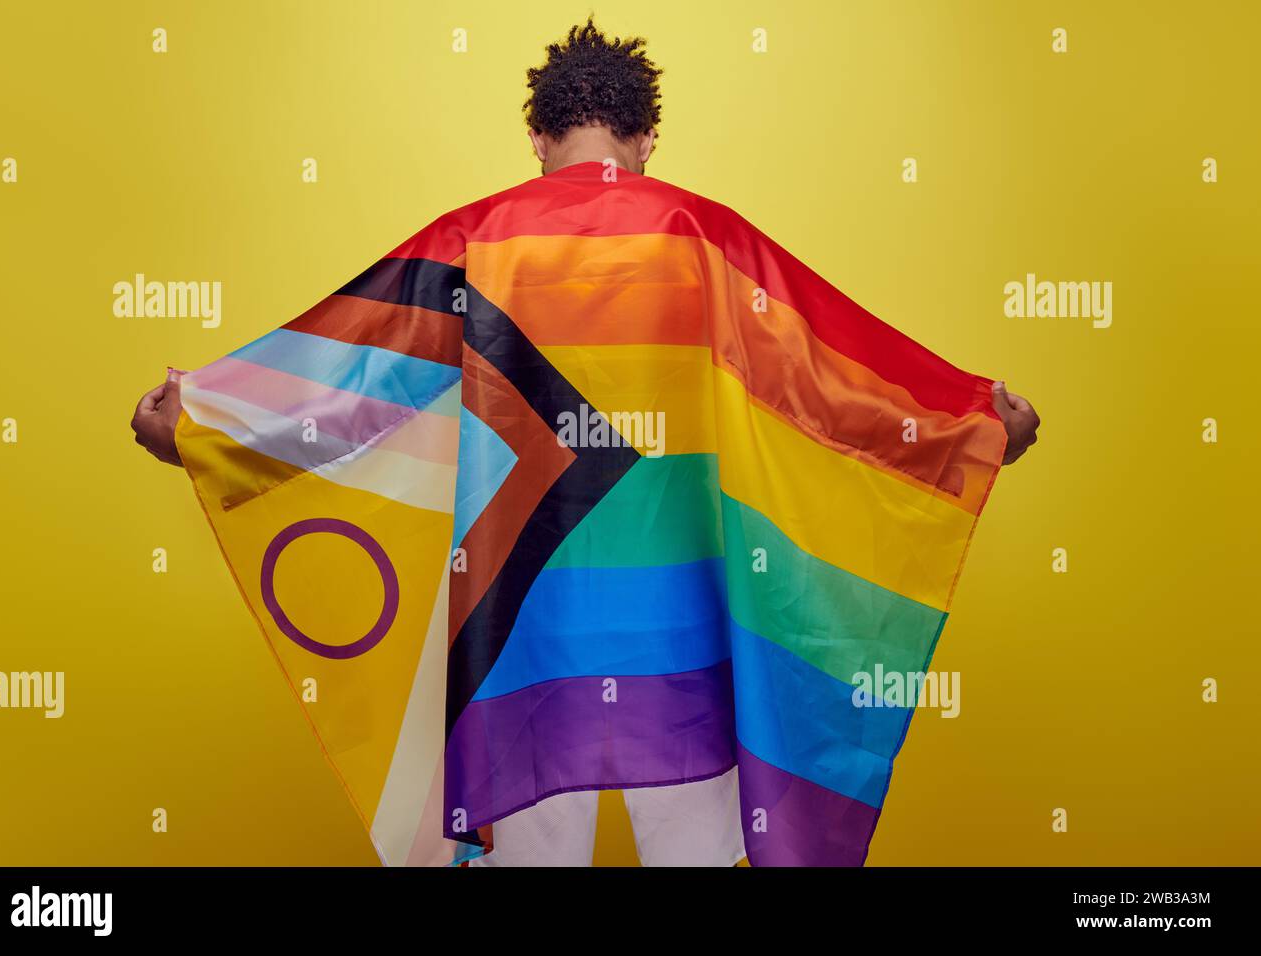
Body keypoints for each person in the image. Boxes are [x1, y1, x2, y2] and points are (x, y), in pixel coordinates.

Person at [132, 18, 1039, 867]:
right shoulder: (706, 241)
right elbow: (826, 383)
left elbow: (358, 376)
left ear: (537, 136)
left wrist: (203, 423)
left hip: (521, 631)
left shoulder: (475, 242)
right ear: (647, 139)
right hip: (684, 634)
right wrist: (974, 427)